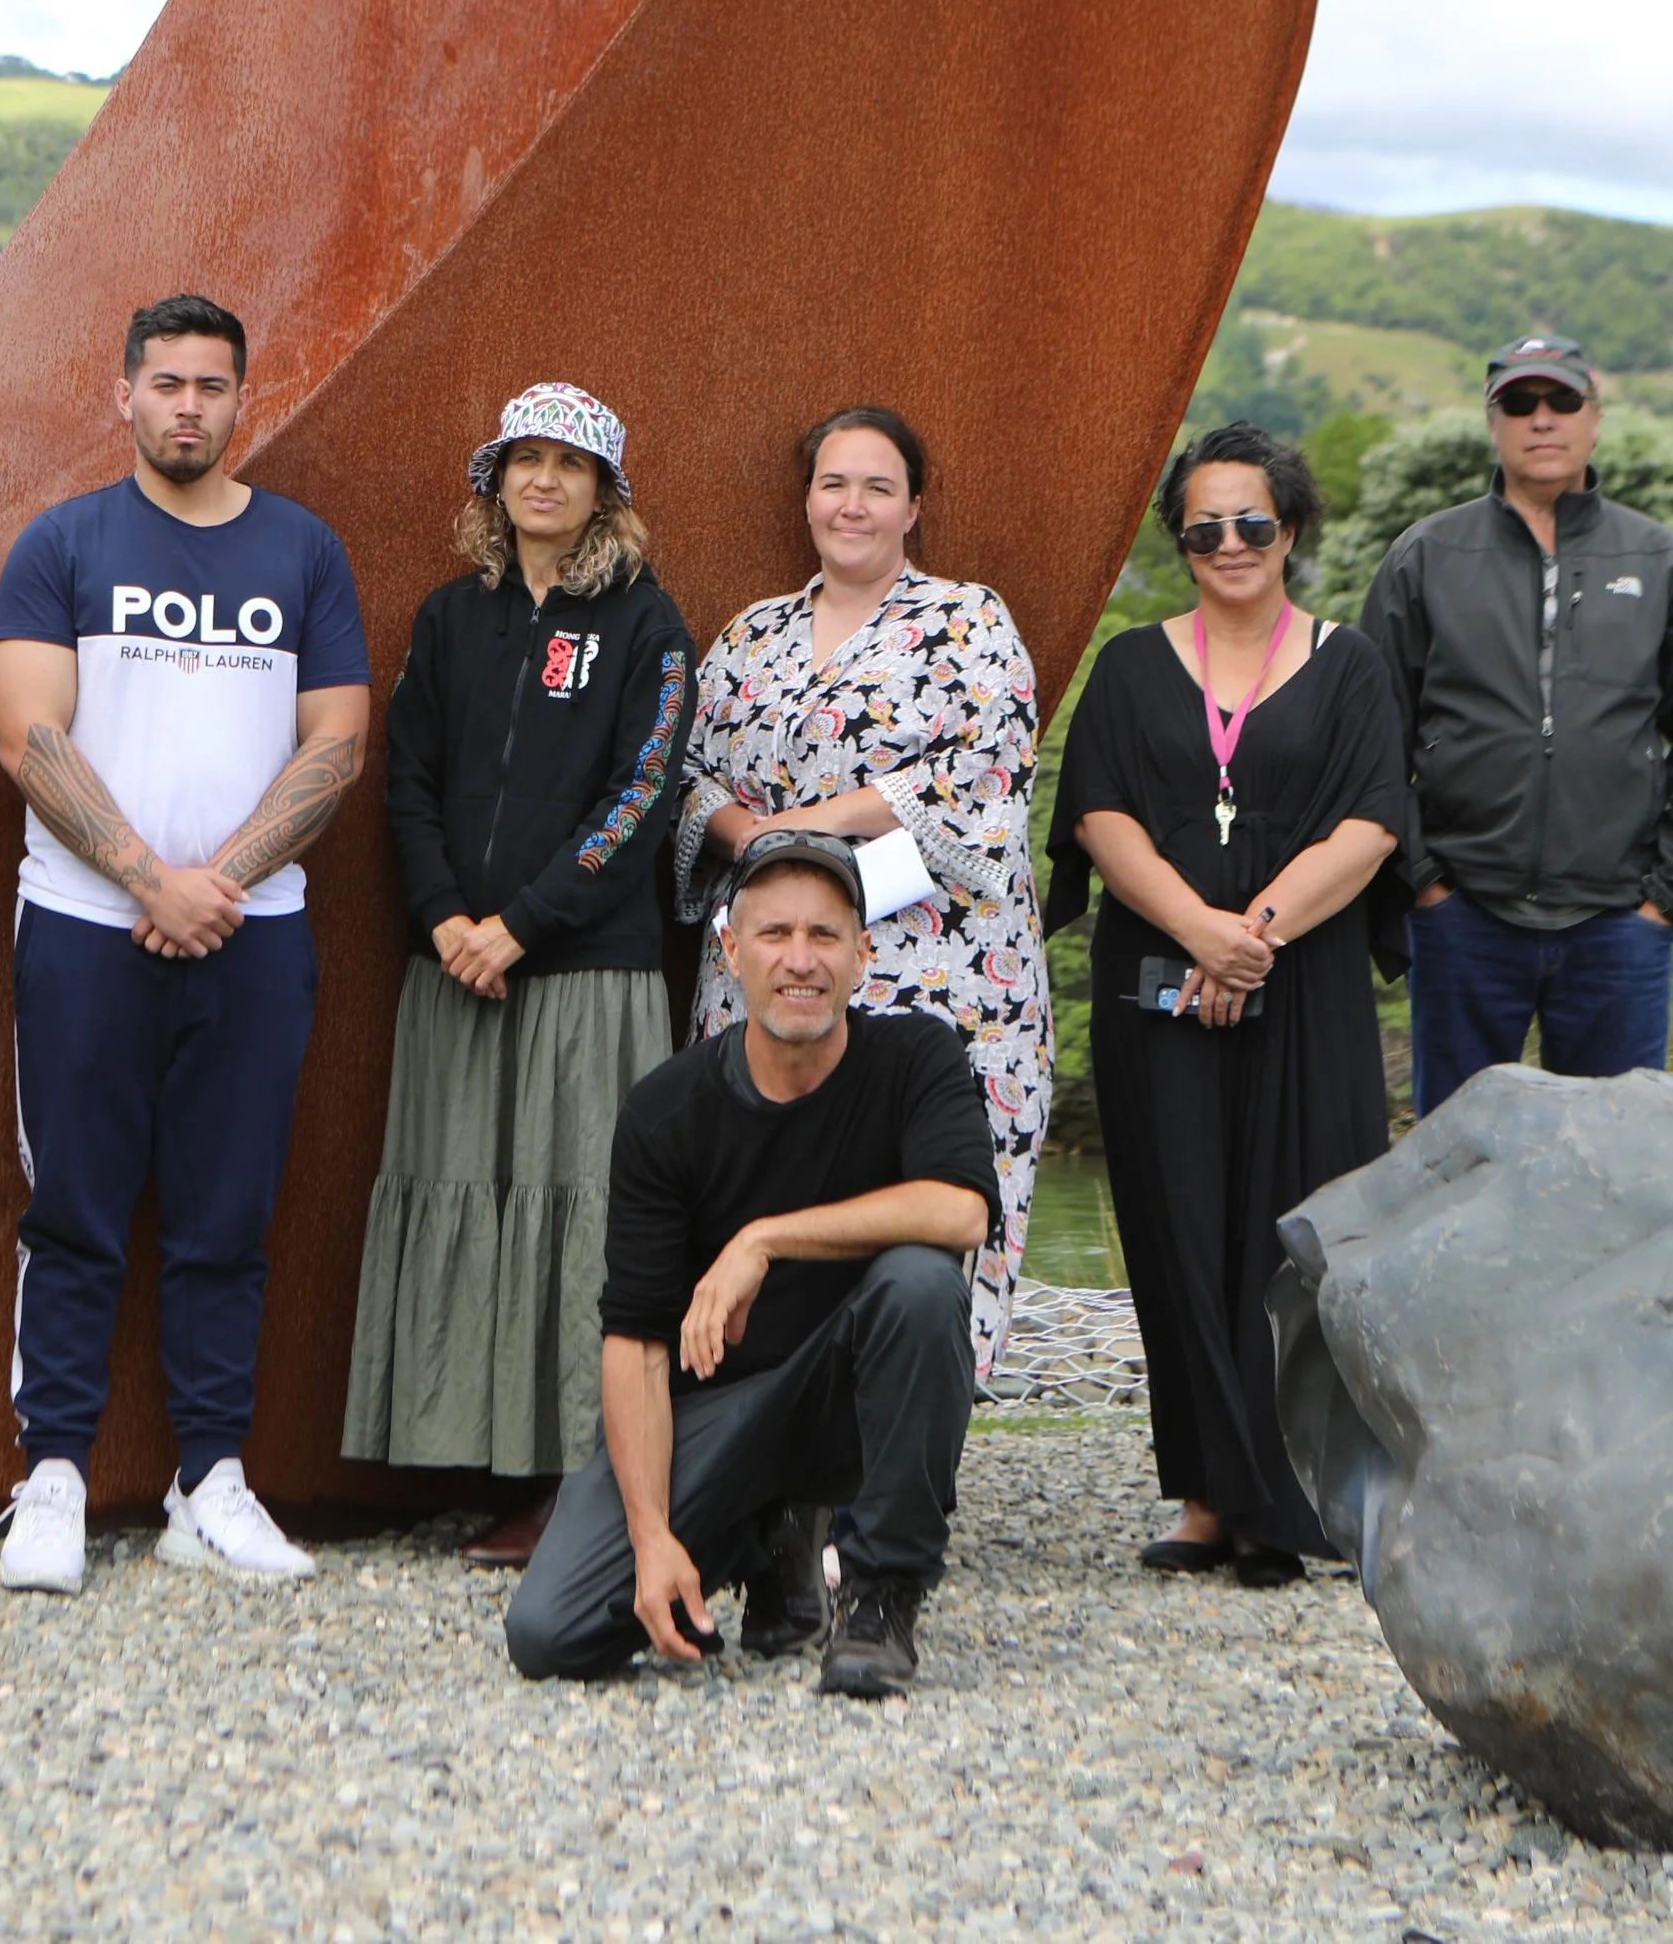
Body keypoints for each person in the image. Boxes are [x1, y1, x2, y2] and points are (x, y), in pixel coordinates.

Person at [0, 292, 370, 1595]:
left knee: (228, 1214)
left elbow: (337, 742)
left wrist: (221, 882)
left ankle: (209, 1482)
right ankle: (52, 1475)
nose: (188, 406)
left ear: (242, 399)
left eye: (212, 385)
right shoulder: (62, 542)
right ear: (125, 394)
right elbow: (26, 737)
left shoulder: (301, 549)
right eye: (167, 383)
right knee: (73, 1209)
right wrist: (152, 879)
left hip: (253, 936)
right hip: (85, 926)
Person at [504, 832, 996, 1696]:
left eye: (824, 935)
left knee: (922, 1285)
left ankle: (880, 1593)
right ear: (730, 950)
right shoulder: (666, 1109)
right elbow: (636, 1341)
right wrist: (652, 1538)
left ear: (862, 953)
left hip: (846, 1391)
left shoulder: (918, 1057)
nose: (800, 960)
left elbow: (960, 1212)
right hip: (717, 1412)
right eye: (774, 934)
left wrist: (761, 1239)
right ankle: (766, 1536)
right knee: (551, 1634)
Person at [341, 385, 696, 1568]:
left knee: (575, 1218)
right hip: (453, 969)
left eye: (569, 464)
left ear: (604, 490)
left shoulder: (647, 625)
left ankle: (579, 1486)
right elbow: (405, 778)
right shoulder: (451, 618)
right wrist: (448, 919)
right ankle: (471, 1457)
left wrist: (522, 926)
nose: (543, 480)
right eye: (523, 460)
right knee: (467, 1200)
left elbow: (641, 799)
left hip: (583, 972)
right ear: (495, 482)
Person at [1047, 419, 1404, 1584]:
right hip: (1157, 984)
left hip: (1305, 988)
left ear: (1289, 529)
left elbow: (1370, 823)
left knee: (1296, 1234)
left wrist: (1249, 938)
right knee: (1178, 1228)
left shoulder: (1348, 664)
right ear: (1181, 543)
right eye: (1204, 529)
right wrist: (1198, 931)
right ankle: (1206, 1495)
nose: (1230, 544)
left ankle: (1290, 1497)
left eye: (1252, 521)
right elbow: (1097, 812)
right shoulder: (1129, 668)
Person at [674, 405, 1049, 1383]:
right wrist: (745, 834)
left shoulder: (967, 621)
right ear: (806, 500)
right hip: (774, 967)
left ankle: (899, 1445)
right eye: (833, 483)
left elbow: (983, 776)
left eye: (878, 487)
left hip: (930, 970)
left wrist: (808, 826)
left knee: (913, 1216)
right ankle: (757, 1432)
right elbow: (688, 776)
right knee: (761, 1200)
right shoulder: (749, 635)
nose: (853, 505)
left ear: (913, 507)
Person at [1362, 334, 1673, 1115]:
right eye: (1520, 402)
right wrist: (1424, 883)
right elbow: (1370, 739)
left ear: (1593, 417)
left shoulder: (1657, 558)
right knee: (1457, 1156)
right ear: (1491, 421)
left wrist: (1661, 898)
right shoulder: (1425, 555)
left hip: (1620, 925)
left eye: (1562, 400)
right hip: (1464, 919)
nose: (1542, 418)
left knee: (1614, 1163)